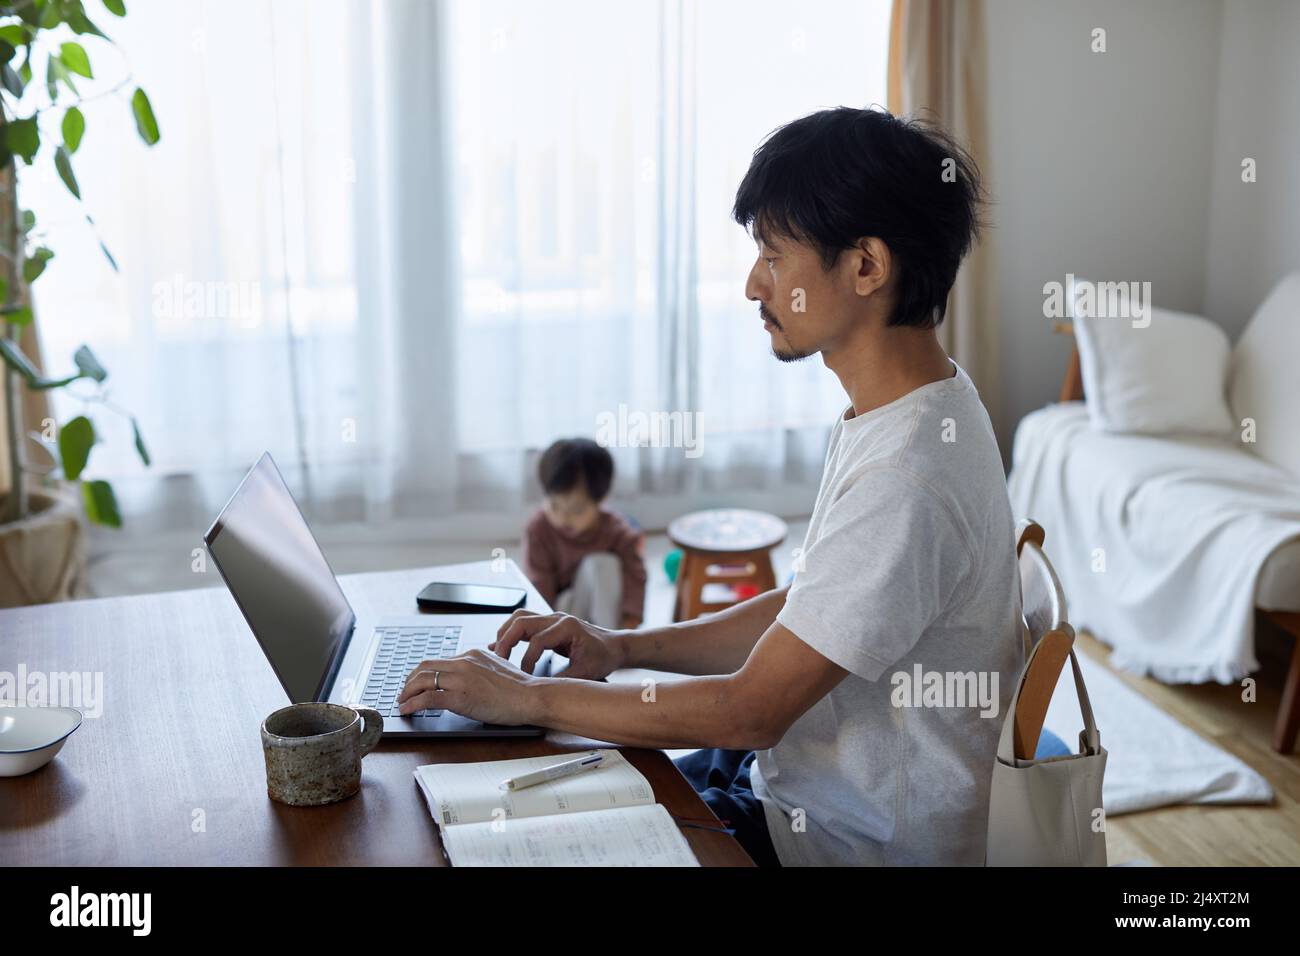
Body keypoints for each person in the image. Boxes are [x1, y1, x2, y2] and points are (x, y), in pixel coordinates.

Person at [399, 106, 1023, 866]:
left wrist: (525, 696)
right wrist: (621, 646)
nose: (753, 284)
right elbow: (808, 610)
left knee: (510, 814)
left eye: (772, 254)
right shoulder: (916, 410)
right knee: (512, 793)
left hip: (838, 843)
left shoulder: (908, 475)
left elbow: (751, 709)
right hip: (796, 785)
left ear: (865, 266)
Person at [522, 438, 646, 630]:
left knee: (602, 565)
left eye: (577, 510)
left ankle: (610, 643)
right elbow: (538, 582)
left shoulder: (616, 531)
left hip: (605, 623)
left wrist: (629, 623)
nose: (564, 517)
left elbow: (635, 576)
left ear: (601, 500)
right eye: (555, 506)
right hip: (562, 617)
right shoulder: (539, 528)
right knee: (563, 600)